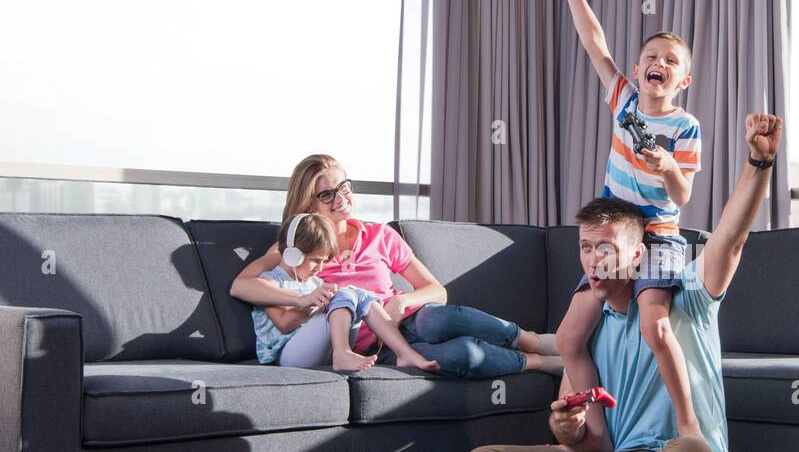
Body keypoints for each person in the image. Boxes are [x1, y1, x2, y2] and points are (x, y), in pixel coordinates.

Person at [465, 112, 783, 452]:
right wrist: (565, 425)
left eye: (606, 248)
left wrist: (759, 164)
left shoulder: (685, 296)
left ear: (637, 255)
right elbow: (580, 441)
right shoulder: (585, 330)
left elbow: (732, 238)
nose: (593, 260)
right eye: (585, 247)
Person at [554, 0, 706, 449]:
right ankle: (595, 437)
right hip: (612, 229)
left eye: (671, 61)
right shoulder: (622, 98)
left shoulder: (685, 127)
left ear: (681, 80)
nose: (658, 63)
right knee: (569, 337)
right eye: (651, 57)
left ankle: (688, 428)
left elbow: (684, 194)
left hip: (657, 233)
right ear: (638, 69)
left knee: (654, 325)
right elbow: (594, 43)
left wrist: (666, 168)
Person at [231, 154, 560, 377]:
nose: (341, 198)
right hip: (373, 345)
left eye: (344, 187)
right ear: (308, 204)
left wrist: (404, 300)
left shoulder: (378, 236)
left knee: (441, 319)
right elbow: (245, 285)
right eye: (327, 195)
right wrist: (301, 300)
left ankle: (530, 339)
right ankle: (539, 363)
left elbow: (437, 291)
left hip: (407, 319)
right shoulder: (299, 247)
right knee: (462, 355)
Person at [251, 212, 440, 374]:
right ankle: (341, 354)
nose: (320, 268)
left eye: (324, 262)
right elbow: (283, 324)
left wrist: (328, 300)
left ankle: (404, 353)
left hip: (317, 349)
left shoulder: (314, 282)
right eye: (315, 261)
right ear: (292, 255)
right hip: (287, 355)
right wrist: (313, 302)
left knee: (357, 294)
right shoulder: (271, 282)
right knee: (344, 295)